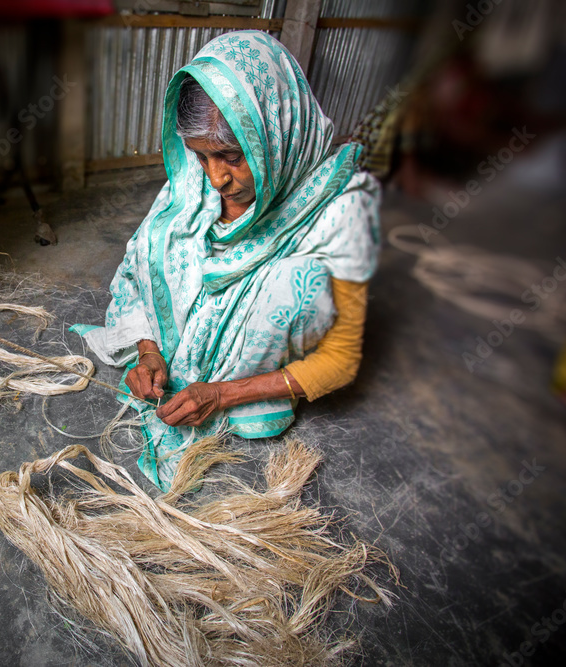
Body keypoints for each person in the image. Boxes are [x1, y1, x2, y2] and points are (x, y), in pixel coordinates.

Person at [71, 31, 381, 491]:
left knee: (298, 280)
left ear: (275, 138)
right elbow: (138, 271)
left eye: (233, 157)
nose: (216, 178)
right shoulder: (195, 185)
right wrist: (149, 349)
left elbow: (341, 358)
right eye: (201, 157)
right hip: (168, 357)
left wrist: (222, 393)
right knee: (165, 232)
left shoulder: (343, 209)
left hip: (250, 384)